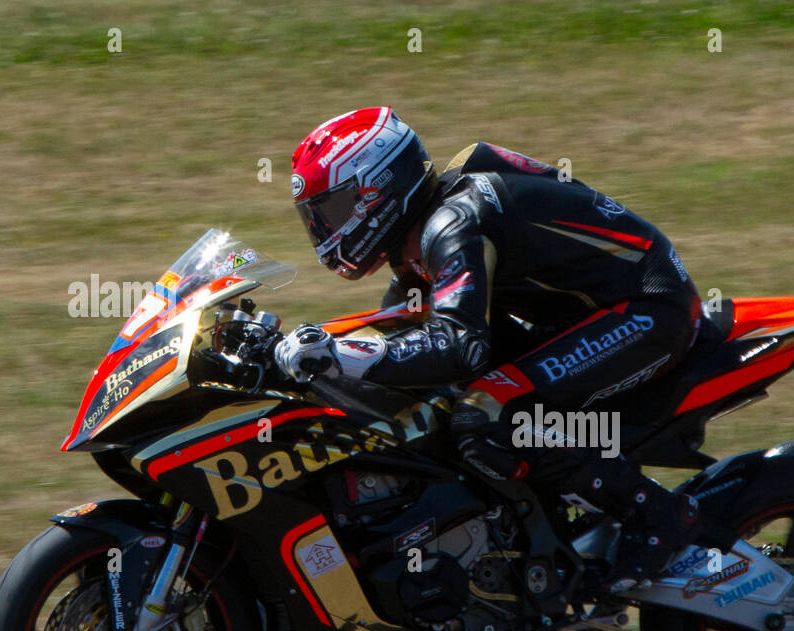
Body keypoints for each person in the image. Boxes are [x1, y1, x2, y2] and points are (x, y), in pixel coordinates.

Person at [276, 106, 704, 591]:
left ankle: (659, 516)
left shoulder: (453, 221)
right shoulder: (420, 248)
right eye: (315, 217)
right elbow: (403, 340)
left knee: (486, 414)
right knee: (431, 398)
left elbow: (461, 346)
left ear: (377, 191)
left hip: (647, 310)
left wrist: (339, 355)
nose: (323, 229)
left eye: (330, 211)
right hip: (580, 315)